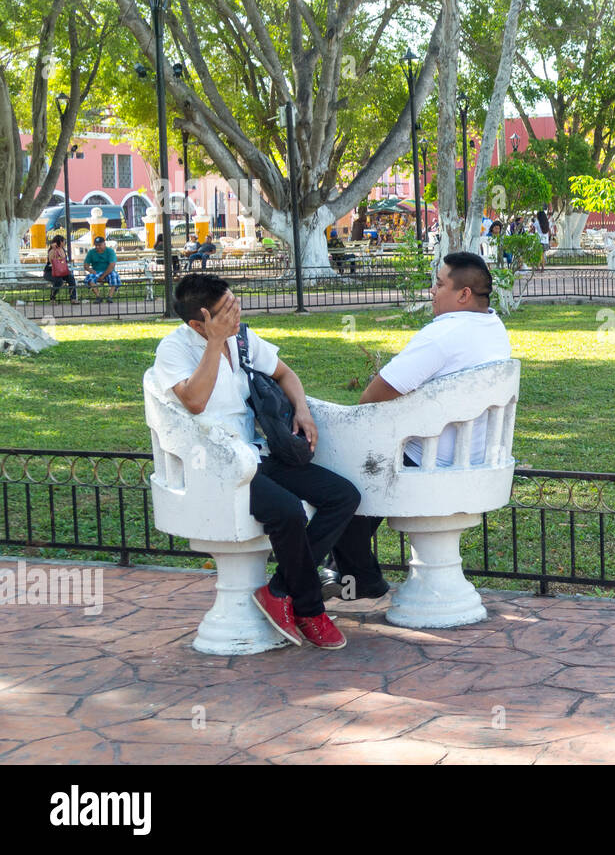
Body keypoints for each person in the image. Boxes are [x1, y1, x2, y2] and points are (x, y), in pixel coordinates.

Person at [154, 274, 360, 649]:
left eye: (236, 303)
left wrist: (303, 410)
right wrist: (214, 344)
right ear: (198, 322)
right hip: (213, 466)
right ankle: (310, 609)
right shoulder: (174, 349)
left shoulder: (243, 338)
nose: (237, 314)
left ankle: (280, 588)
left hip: (256, 454)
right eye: (227, 311)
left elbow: (284, 373)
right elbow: (194, 401)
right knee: (286, 511)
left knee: (343, 496)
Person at [325, 253, 512, 597]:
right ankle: (341, 570)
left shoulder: (442, 334)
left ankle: (358, 578)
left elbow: (372, 397)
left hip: (430, 460)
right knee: (365, 475)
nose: (432, 290)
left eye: (440, 284)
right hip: (477, 458)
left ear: (463, 295)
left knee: (339, 484)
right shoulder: (494, 327)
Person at [83, 235, 120, 304]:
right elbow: (86, 265)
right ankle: (98, 296)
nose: (97, 247)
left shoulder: (110, 251)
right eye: (96, 245)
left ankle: (110, 297)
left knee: (114, 276)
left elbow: (111, 266)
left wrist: (103, 276)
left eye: (99, 245)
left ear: (104, 244)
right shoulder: (91, 252)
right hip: (96, 271)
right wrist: (90, 270)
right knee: (90, 278)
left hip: (108, 271)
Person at [47, 236, 78, 303]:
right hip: (51, 271)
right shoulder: (52, 250)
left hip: (62, 271)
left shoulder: (62, 250)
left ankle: (73, 298)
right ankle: (52, 298)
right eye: (64, 241)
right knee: (59, 281)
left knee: (71, 278)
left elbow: (63, 260)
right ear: (60, 242)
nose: (65, 243)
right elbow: (51, 261)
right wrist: (55, 250)